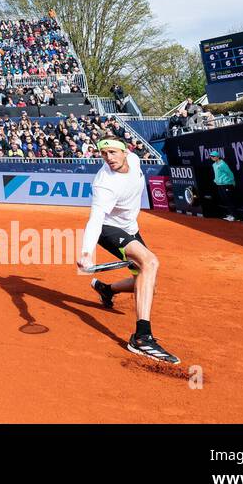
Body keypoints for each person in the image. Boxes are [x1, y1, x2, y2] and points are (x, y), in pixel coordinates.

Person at [78, 138, 179, 364]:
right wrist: (86, 252)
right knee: (150, 263)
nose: (108, 158)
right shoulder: (104, 183)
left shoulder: (134, 160)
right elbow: (95, 220)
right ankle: (142, 337)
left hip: (130, 228)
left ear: (126, 152)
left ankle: (107, 290)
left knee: (148, 285)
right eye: (103, 154)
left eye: (112, 152)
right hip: (108, 229)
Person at [210, 151, 238, 220]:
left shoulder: (222, 164)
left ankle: (235, 216)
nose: (212, 157)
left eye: (213, 156)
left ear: (217, 156)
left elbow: (230, 173)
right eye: (211, 156)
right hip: (219, 185)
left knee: (229, 200)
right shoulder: (214, 165)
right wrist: (216, 180)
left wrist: (232, 181)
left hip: (227, 184)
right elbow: (217, 174)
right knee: (225, 200)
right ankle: (231, 214)